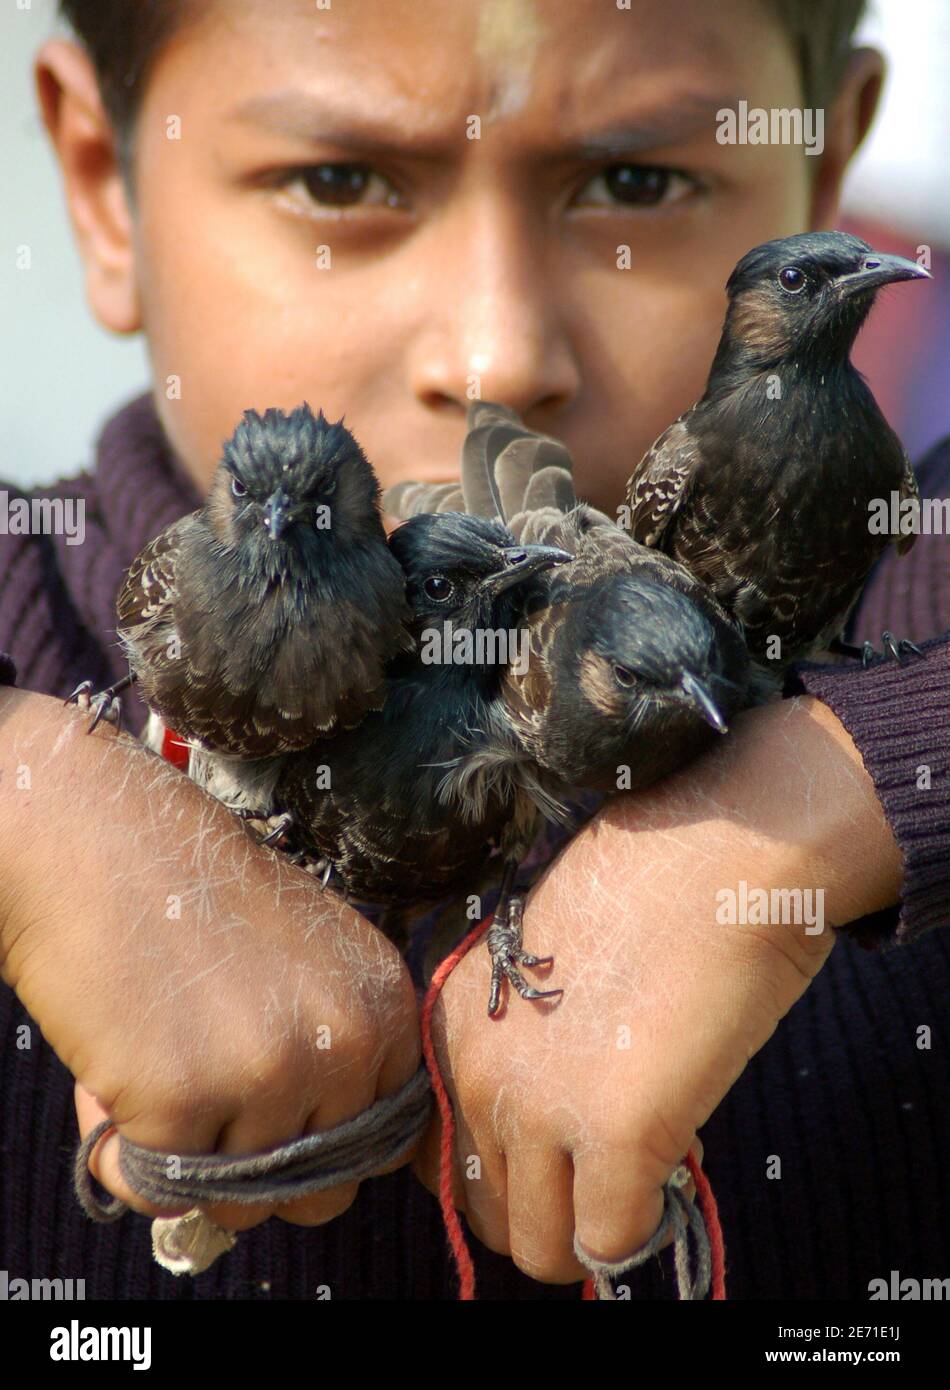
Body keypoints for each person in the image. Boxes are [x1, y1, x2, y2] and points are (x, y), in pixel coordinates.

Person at [0, 0, 947, 1299]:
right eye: (339, 180)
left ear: (821, 175)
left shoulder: (900, 578)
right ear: (103, 186)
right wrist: (23, 796)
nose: (496, 351)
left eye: (635, 180)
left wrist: (844, 787)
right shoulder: (32, 634)